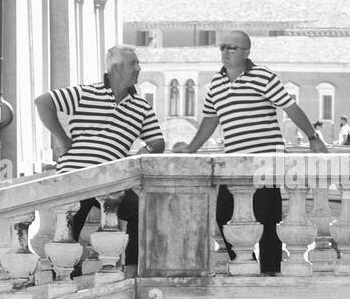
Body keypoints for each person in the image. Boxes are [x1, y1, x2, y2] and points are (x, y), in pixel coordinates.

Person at [173, 31, 326, 274]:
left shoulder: (263, 76)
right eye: (223, 47)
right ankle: (247, 263)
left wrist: (312, 137)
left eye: (232, 48)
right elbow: (210, 121)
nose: (225, 52)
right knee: (223, 214)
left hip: (266, 160)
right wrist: (191, 148)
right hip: (235, 163)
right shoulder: (215, 84)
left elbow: (291, 108)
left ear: (246, 52)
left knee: (267, 219)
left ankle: (270, 273)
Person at [34, 44, 164, 271]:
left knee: (141, 210)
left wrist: (148, 151)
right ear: (114, 70)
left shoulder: (142, 107)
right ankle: (65, 276)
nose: (139, 68)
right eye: (133, 63)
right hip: (77, 174)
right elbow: (43, 102)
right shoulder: (84, 93)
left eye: (137, 63)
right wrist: (62, 138)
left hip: (110, 179)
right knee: (69, 222)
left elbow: (158, 143)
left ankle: (133, 270)